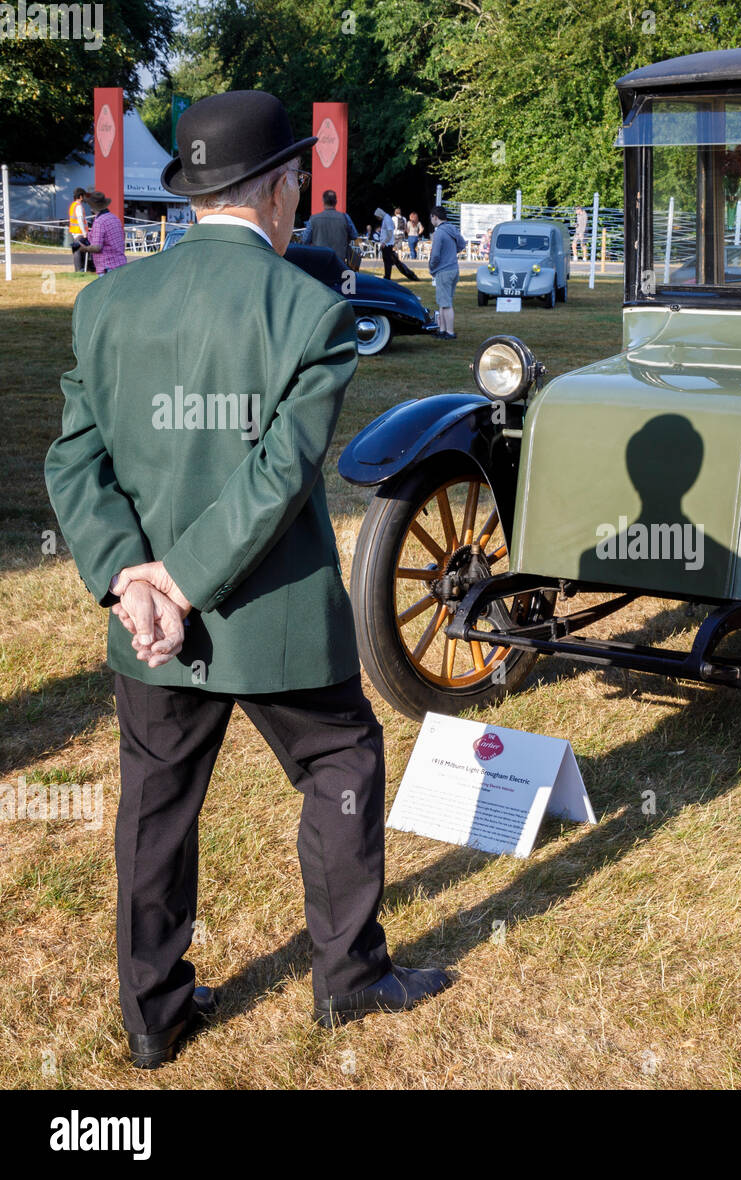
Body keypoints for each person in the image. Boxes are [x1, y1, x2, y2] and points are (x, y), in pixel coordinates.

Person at [44, 90, 451, 1071]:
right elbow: (279, 474)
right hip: (269, 617)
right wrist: (174, 582)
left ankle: (153, 1012)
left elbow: (73, 463)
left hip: (149, 625)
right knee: (341, 767)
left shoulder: (106, 300)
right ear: (277, 189)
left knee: (154, 804)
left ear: (192, 194)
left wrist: (126, 583)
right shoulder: (310, 310)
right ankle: (348, 978)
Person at [427, 205, 466, 340]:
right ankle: (442, 330)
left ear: (435, 217)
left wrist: (431, 267)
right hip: (454, 269)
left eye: (431, 217)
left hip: (443, 271)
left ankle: (449, 332)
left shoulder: (439, 233)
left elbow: (436, 255)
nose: (431, 220)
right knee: (443, 302)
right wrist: (451, 254)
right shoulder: (453, 229)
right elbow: (462, 244)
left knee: (446, 304)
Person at [301, 188, 358, 265]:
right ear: (336, 202)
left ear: (323, 201)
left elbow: (305, 240)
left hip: (319, 260)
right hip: (339, 261)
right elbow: (354, 235)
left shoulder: (314, 219)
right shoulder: (345, 217)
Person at [78, 191, 128, 275]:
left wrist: (84, 249)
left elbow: (97, 248)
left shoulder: (99, 222)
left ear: (92, 207)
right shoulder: (115, 218)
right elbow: (122, 237)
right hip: (120, 263)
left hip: (107, 266)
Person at [373, 205, 417, 280]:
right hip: (386, 243)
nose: (378, 218)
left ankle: (387, 276)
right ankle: (388, 275)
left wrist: (384, 242)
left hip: (387, 244)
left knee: (388, 261)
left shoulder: (387, 219)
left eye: (377, 217)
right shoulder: (386, 218)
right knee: (390, 261)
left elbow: (390, 233)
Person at [68, 187, 90, 271]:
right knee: (79, 252)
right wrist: (84, 232)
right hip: (79, 232)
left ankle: (79, 269)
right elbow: (80, 220)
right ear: (80, 197)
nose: (84, 198)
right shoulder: (78, 206)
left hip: (75, 232)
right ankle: (79, 269)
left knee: (77, 251)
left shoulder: (73, 205)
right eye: (84, 196)